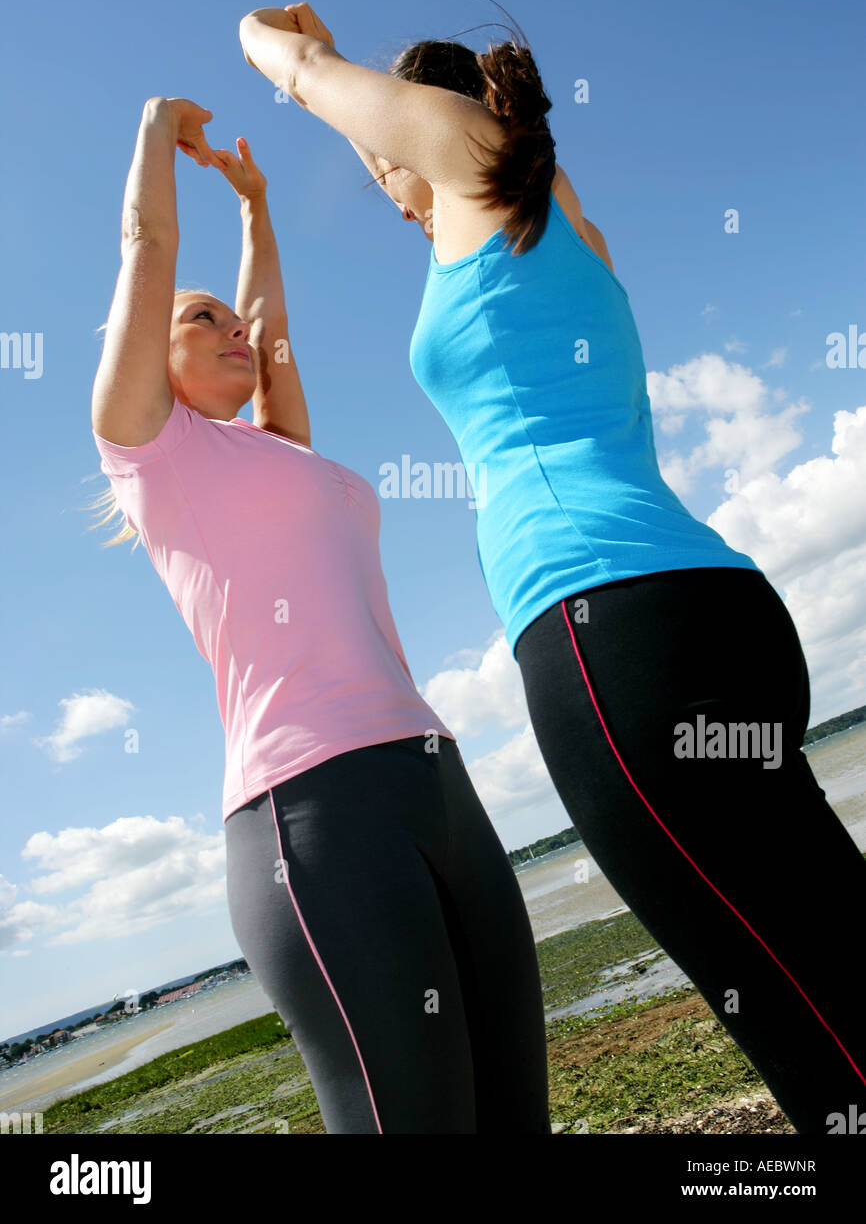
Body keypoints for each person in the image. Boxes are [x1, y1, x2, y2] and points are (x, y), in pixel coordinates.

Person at [238, 2, 866, 1135]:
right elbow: (402, 163)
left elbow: (316, 80)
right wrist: (364, 134)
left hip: (605, 634)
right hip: (712, 614)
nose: (384, 173)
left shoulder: (472, 173)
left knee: (801, 1029)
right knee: (839, 954)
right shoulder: (557, 221)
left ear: (431, 129)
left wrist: (271, 41)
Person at [88, 95, 550, 1135]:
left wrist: (256, 208)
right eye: (195, 316)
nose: (228, 328)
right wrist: (155, 128)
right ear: (149, 358)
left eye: (226, 314)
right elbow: (147, 240)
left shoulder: (282, 450)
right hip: (312, 813)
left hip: (434, 779)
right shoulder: (150, 454)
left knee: (517, 1116)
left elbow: (273, 330)